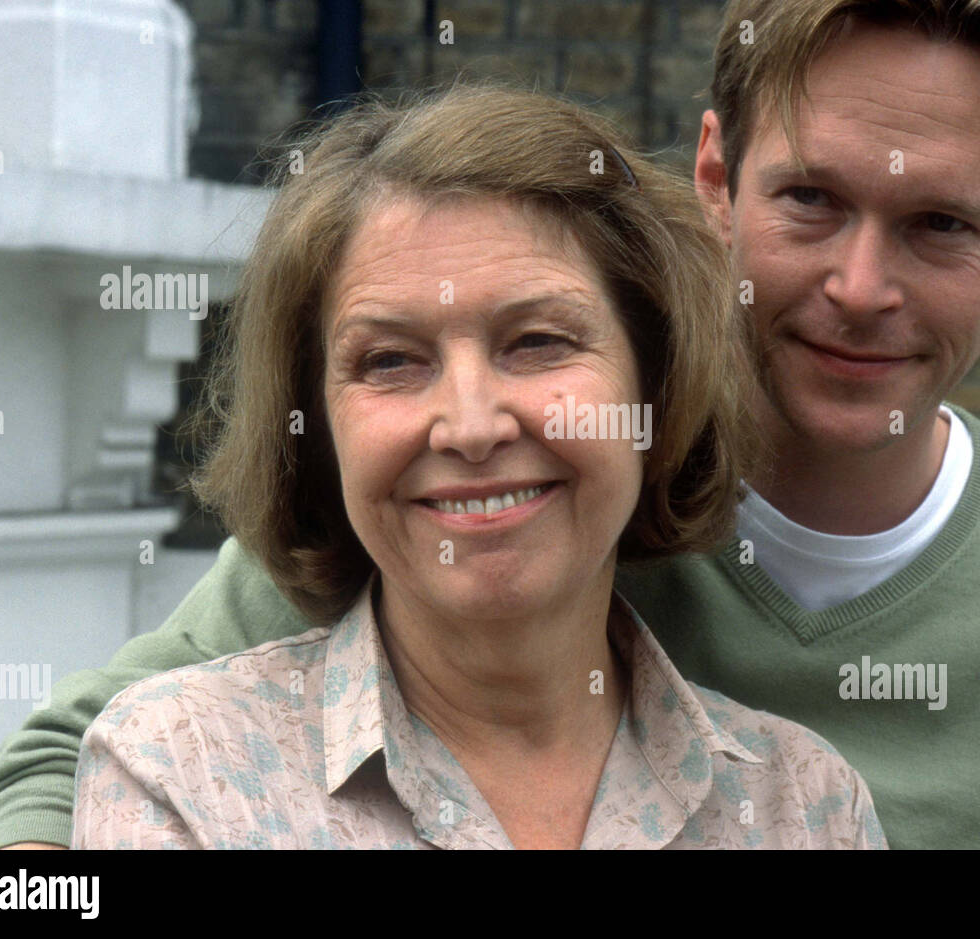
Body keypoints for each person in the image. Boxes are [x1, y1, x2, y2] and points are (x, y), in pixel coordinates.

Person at [0, 0, 980, 851]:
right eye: (809, 201)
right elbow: (48, 784)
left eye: (938, 225)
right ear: (719, 176)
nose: (859, 286)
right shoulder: (479, 507)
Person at [65, 84, 886, 850]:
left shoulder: (803, 808)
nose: (470, 425)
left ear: (660, 385)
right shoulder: (184, 774)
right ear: (318, 429)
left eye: (537, 342)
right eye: (389, 360)